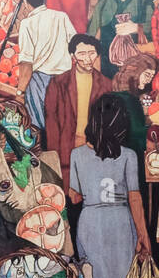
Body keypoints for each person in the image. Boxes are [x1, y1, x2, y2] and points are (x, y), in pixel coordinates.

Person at [68, 93, 151, 278]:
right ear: (120, 127)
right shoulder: (128, 155)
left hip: (89, 224)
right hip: (118, 225)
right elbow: (134, 197)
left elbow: (74, 196)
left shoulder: (77, 154)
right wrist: (143, 234)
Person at [44, 34, 113, 190]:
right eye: (82, 54)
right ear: (72, 55)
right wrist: (54, 155)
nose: (88, 59)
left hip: (94, 147)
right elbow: (51, 120)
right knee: (69, 192)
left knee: (93, 190)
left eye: (92, 53)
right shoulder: (58, 82)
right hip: (66, 145)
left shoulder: (107, 85)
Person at [14, 0, 76, 130]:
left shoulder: (27, 24)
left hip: (40, 83)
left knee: (40, 128)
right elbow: (76, 45)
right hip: (65, 80)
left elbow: (27, 64)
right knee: (62, 125)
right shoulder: (61, 17)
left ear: (25, 3)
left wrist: (20, 93)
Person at [87, 0, 154, 78]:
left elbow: (154, 28)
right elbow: (93, 27)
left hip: (135, 62)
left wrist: (136, 28)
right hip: (107, 60)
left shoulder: (145, 0)